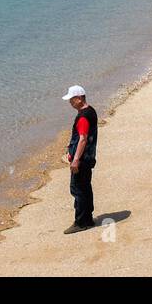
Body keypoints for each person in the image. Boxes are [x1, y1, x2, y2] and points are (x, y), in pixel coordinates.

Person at [60, 85, 98, 233]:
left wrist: (75, 159)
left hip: (82, 160)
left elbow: (82, 139)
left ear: (80, 98)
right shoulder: (91, 111)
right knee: (85, 187)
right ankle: (88, 218)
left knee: (77, 189)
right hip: (89, 157)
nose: (70, 103)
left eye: (72, 99)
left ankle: (81, 222)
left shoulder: (83, 117)